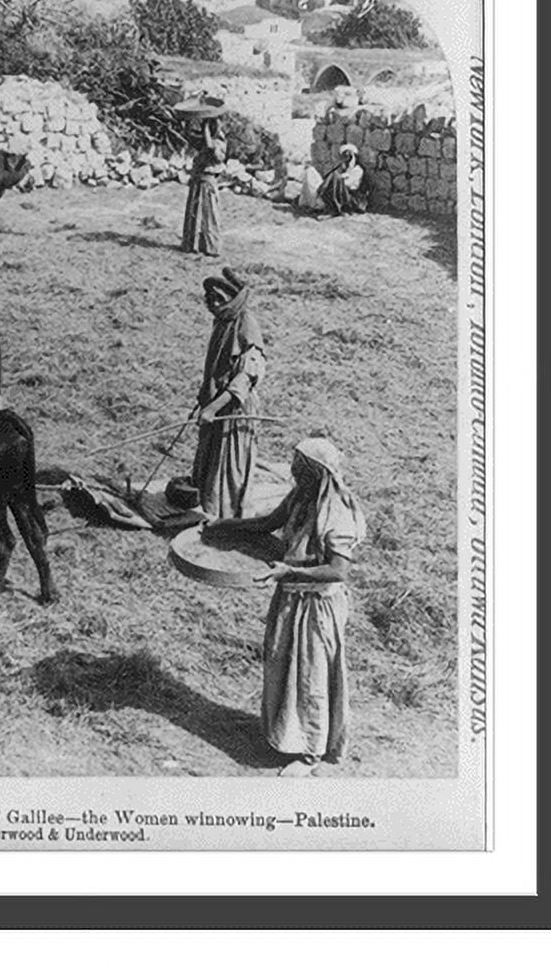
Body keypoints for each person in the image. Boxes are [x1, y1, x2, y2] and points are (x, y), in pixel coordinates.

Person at [205, 437, 367, 775]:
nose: (294, 476)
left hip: (317, 605)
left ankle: (311, 752)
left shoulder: (336, 513)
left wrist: (291, 570)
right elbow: (267, 524)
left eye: (300, 471)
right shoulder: (301, 496)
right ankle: (286, 736)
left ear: (317, 474)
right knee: (283, 664)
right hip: (291, 594)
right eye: (293, 469)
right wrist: (225, 525)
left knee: (312, 674)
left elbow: (339, 571)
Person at [190, 268, 266, 519]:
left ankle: (224, 518)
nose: (212, 303)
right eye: (209, 298)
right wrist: (205, 399)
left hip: (235, 409)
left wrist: (213, 408)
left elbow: (244, 379)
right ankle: (208, 507)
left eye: (218, 298)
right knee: (210, 462)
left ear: (232, 299)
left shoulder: (246, 326)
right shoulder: (223, 322)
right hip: (216, 403)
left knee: (228, 466)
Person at [180, 116, 228, 256]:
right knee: (195, 214)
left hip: (208, 183)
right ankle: (193, 245)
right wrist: (188, 123)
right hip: (198, 181)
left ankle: (210, 247)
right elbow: (190, 137)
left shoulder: (220, 143)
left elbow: (210, 147)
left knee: (209, 216)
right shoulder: (203, 141)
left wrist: (206, 128)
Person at [317, 142, 371, 217]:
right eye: (345, 157)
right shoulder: (347, 169)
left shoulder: (358, 170)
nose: (346, 160)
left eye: (348, 157)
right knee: (334, 177)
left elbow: (348, 184)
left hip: (352, 198)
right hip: (343, 193)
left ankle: (335, 209)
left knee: (335, 178)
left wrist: (338, 178)